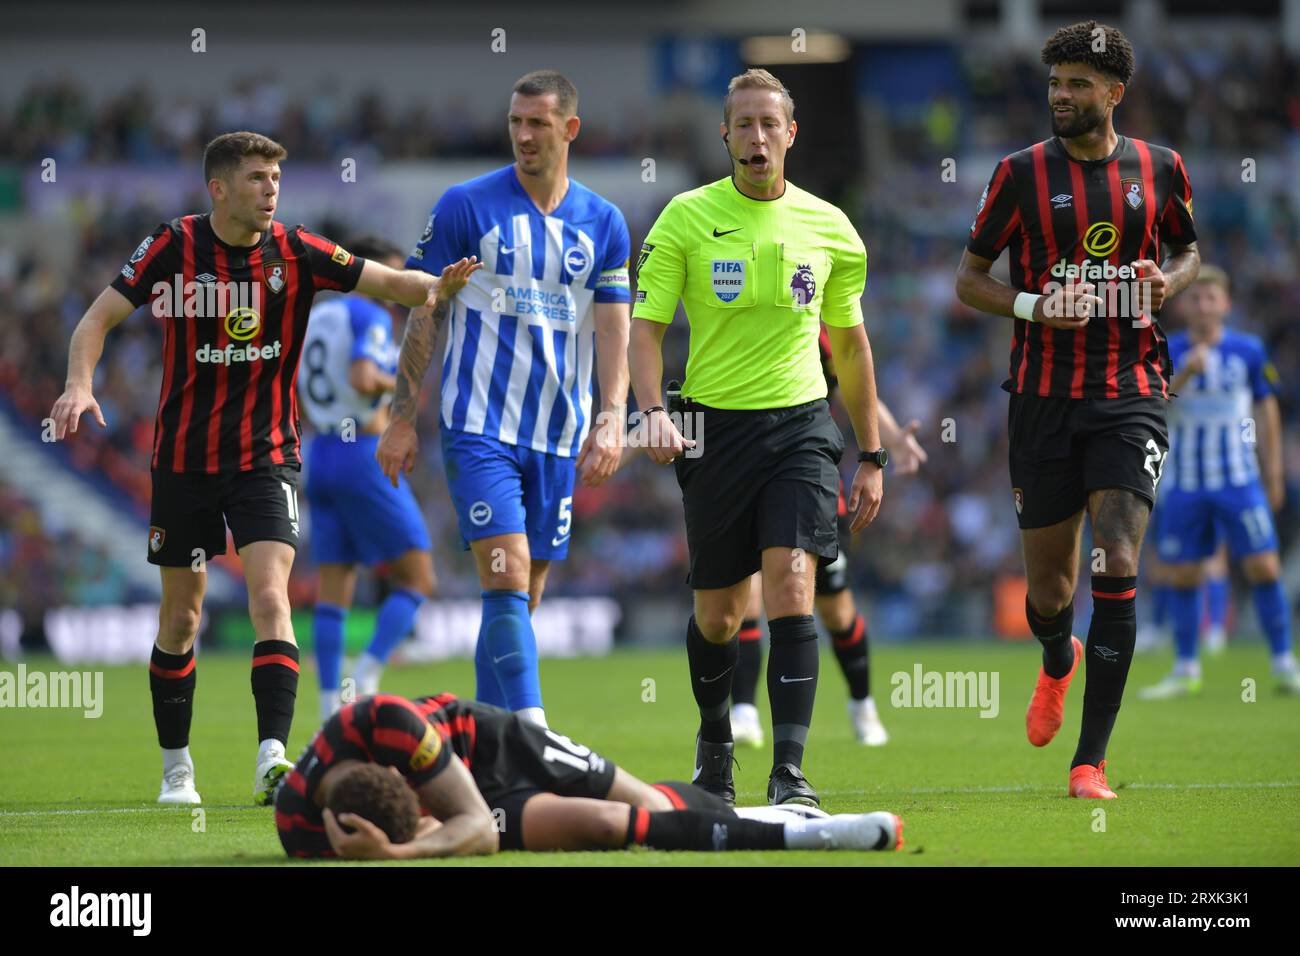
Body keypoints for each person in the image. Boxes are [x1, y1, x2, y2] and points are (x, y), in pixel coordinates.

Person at [49, 131, 477, 806]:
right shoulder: (173, 245)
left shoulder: (297, 250)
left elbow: (391, 279)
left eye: (275, 177)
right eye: (255, 178)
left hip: (266, 458)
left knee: (272, 598)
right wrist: (80, 384)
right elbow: (97, 319)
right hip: (185, 461)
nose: (270, 188)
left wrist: (440, 286)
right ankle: (176, 769)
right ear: (218, 188)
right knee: (182, 620)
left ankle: (273, 760)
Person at [954, 21, 1200, 799]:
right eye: (1055, 83)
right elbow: (969, 278)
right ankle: (1057, 656)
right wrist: (1032, 304)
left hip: (1132, 392)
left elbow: (1191, 251)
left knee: (1117, 560)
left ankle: (1089, 762)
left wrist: (1172, 281)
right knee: (1052, 592)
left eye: (1077, 84)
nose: (1060, 95)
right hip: (1042, 401)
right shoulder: (1020, 174)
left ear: (1114, 93)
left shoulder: (1161, 168)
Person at [630, 68, 885, 808]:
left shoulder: (831, 226)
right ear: (725, 134)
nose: (757, 136)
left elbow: (853, 347)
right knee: (718, 614)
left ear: (791, 133)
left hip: (802, 424)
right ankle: (715, 744)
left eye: (770, 123)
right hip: (711, 427)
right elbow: (645, 332)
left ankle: (790, 772)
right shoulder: (684, 217)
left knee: (793, 587)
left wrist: (871, 453)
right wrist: (651, 410)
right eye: (744, 124)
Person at [378, 70, 631, 730]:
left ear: (569, 129)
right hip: (478, 428)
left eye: (538, 123)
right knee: (506, 576)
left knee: (525, 593)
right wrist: (402, 419)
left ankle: (487, 743)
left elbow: (612, 327)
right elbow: (425, 310)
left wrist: (611, 418)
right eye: (516, 122)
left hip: (559, 434)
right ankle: (534, 732)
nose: (523, 135)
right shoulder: (467, 205)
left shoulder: (603, 224)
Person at [273, 691, 903, 859]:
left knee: (648, 801)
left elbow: (472, 824)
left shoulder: (384, 722)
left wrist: (400, 853)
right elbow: (470, 829)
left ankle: (770, 813)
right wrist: (408, 845)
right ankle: (809, 837)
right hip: (457, 808)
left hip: (489, 745)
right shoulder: (299, 828)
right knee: (608, 825)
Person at [732, 328, 928, 748]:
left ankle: (862, 704)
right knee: (747, 594)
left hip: (808, 483)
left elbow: (852, 385)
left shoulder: (813, 326)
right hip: (745, 471)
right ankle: (744, 711)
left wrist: (891, 438)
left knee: (835, 612)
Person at [297, 235, 440, 720]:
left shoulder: (315, 316)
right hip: (361, 450)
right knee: (419, 578)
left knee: (334, 587)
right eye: (396, 276)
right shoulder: (371, 314)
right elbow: (362, 378)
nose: (401, 287)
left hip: (320, 451)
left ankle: (324, 709)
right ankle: (366, 676)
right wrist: (401, 378)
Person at [1139, 266, 1298, 698]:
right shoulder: (1166, 348)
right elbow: (1149, 405)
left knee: (1263, 565)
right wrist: (1186, 374)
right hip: (1186, 482)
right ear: (1185, 305)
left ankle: (1284, 663)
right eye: (1196, 298)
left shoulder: (1248, 350)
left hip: (1239, 478)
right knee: (1185, 573)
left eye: (1212, 298)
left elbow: (1266, 412)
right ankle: (1186, 668)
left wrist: (1274, 473)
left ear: (1226, 304)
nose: (1204, 305)